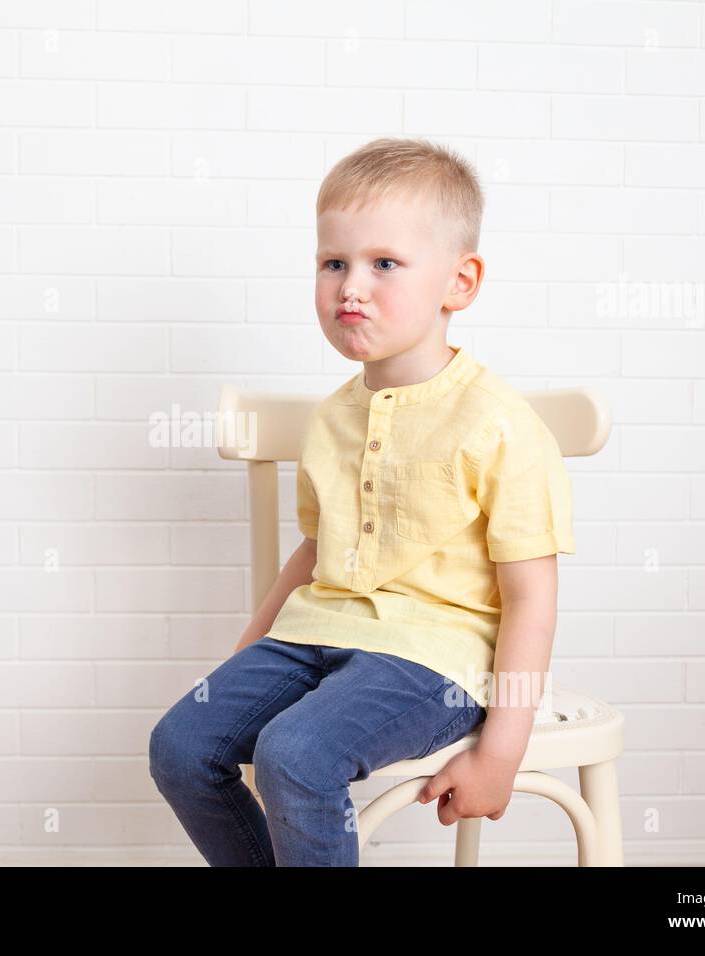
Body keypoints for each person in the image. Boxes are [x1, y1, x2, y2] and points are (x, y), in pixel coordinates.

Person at [149, 137, 576, 866]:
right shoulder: (333, 417)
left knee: (295, 752)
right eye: (333, 262)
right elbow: (315, 551)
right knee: (182, 744)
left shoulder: (499, 423)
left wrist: (503, 751)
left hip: (432, 658)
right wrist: (248, 653)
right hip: (315, 632)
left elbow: (531, 596)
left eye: (384, 263)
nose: (352, 285)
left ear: (459, 282)